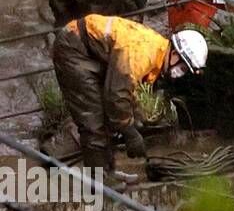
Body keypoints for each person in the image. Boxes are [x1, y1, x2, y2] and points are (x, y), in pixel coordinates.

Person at [51, 15, 207, 174]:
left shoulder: (157, 49)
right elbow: (116, 95)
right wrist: (130, 133)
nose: (180, 73)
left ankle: (106, 169)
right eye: (183, 67)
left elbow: (125, 87)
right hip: (73, 50)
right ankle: (98, 183)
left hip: (89, 50)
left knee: (107, 116)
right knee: (94, 124)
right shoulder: (143, 54)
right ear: (174, 54)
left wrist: (133, 118)